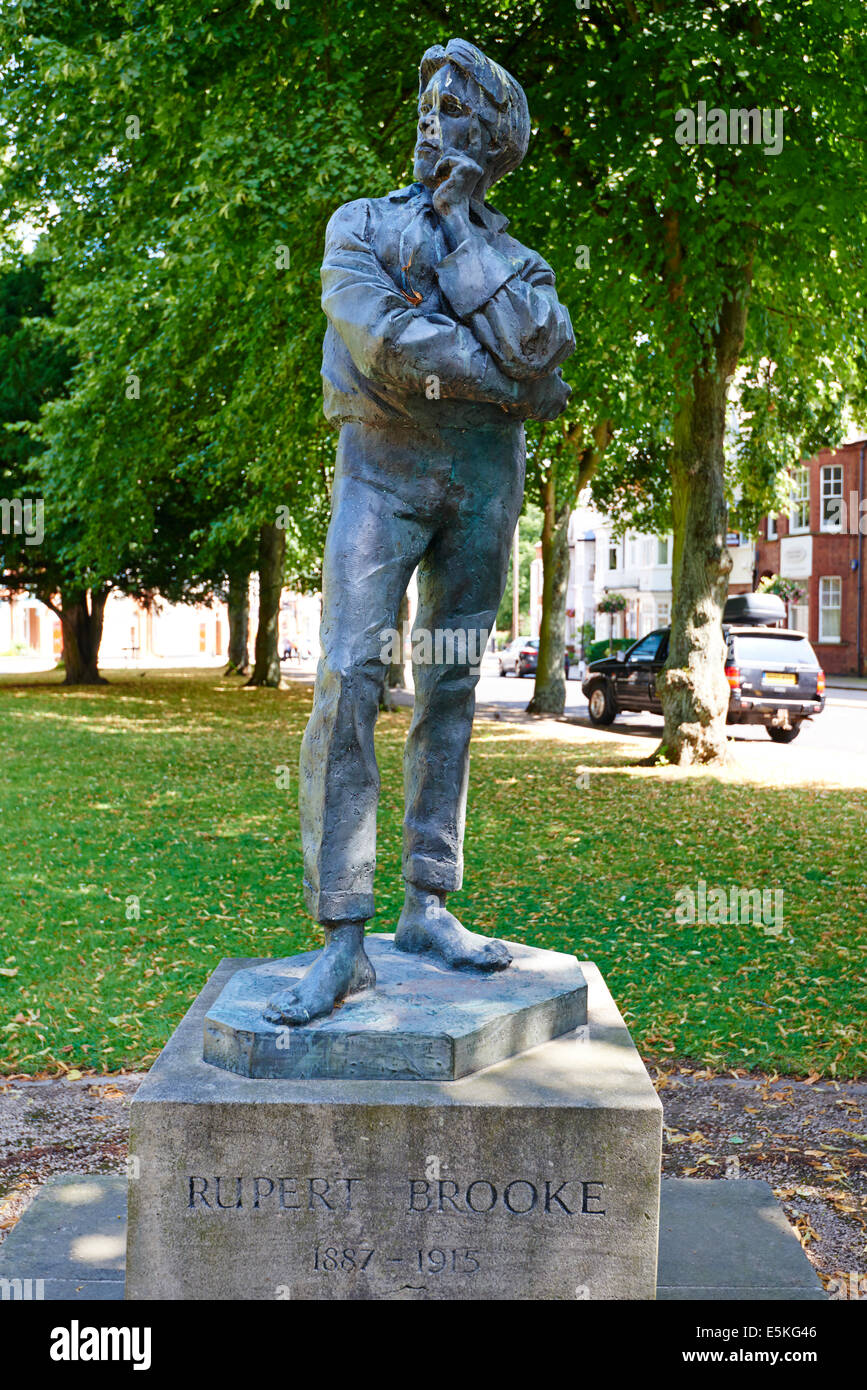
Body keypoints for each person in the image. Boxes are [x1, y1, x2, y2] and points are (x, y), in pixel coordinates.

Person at [266, 38, 575, 1025]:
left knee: (451, 688)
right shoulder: (357, 227)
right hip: (381, 476)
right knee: (348, 677)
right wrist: (513, 384)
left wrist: (461, 231)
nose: (427, 124)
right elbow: (386, 345)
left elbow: (540, 341)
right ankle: (343, 938)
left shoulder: (519, 261)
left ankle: (427, 904)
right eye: (426, 107)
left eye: (451, 113)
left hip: (484, 485)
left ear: (488, 142)